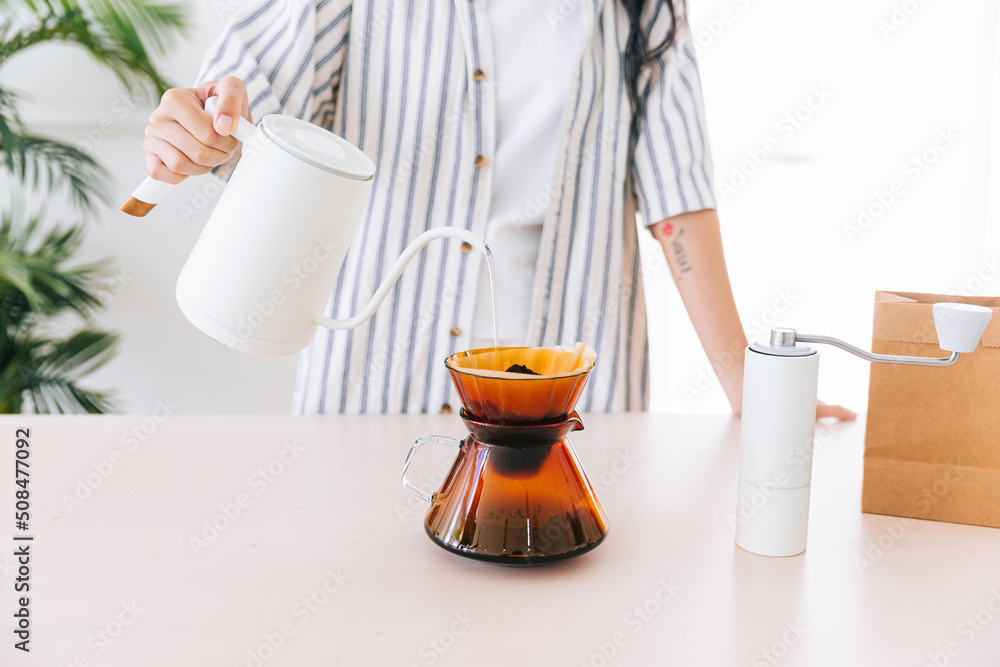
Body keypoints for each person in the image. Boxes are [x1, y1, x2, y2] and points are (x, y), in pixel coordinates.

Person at [140, 0, 854, 420]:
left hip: (570, 404)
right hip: (377, 390)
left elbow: (677, 196)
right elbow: (250, 102)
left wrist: (745, 384)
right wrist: (202, 128)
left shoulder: (641, 11)